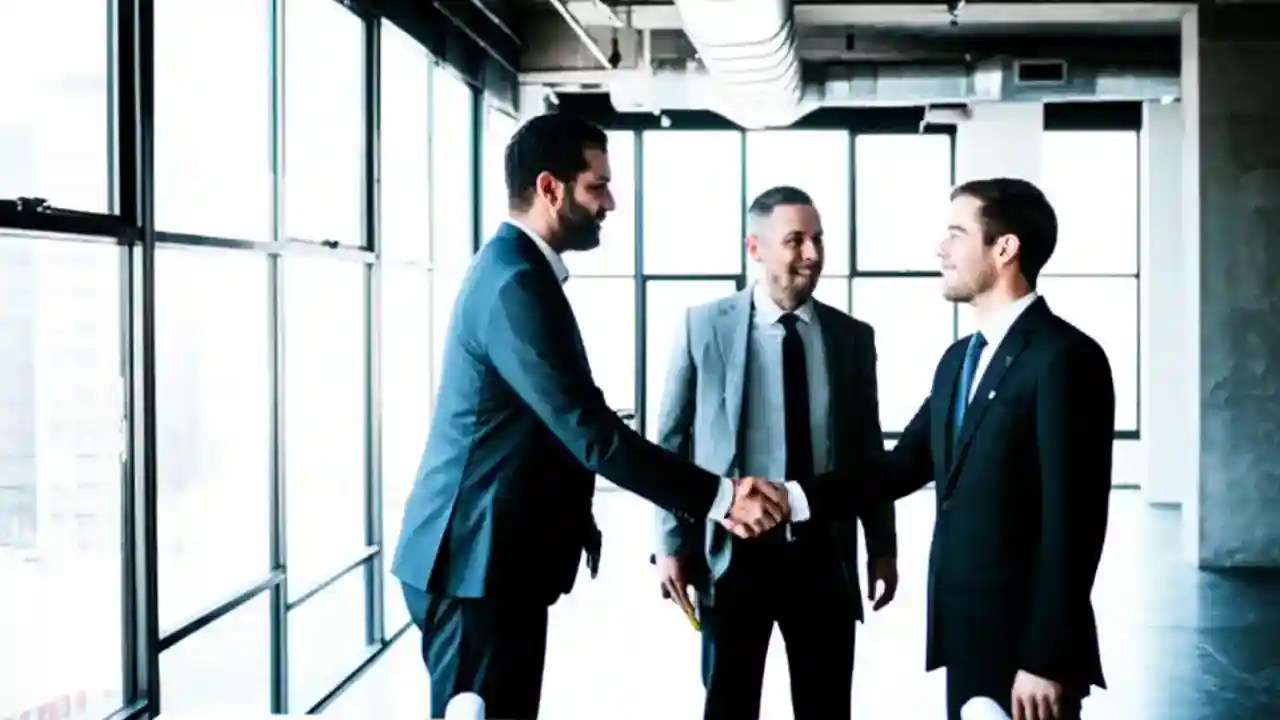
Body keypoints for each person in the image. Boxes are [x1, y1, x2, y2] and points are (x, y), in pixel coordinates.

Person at [390, 113, 794, 719]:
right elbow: (590, 433)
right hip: (474, 565)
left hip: (494, 561)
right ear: (551, 188)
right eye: (597, 186)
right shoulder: (515, 284)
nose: (611, 203)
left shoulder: (518, 272)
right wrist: (720, 495)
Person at [788, 178, 1115, 720]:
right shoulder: (959, 359)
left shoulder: (1066, 359)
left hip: (1028, 657)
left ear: (1004, 248)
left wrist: (1046, 656)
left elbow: (1074, 526)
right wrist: (794, 498)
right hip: (966, 637)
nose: (941, 248)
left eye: (956, 233)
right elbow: (901, 466)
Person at [652, 186, 899, 720]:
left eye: (818, 240)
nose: (812, 253)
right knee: (729, 703)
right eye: (795, 240)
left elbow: (869, 451)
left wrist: (882, 543)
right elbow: (670, 444)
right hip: (732, 554)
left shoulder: (851, 338)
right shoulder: (703, 327)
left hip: (824, 553)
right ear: (755, 247)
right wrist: (671, 543)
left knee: (827, 704)